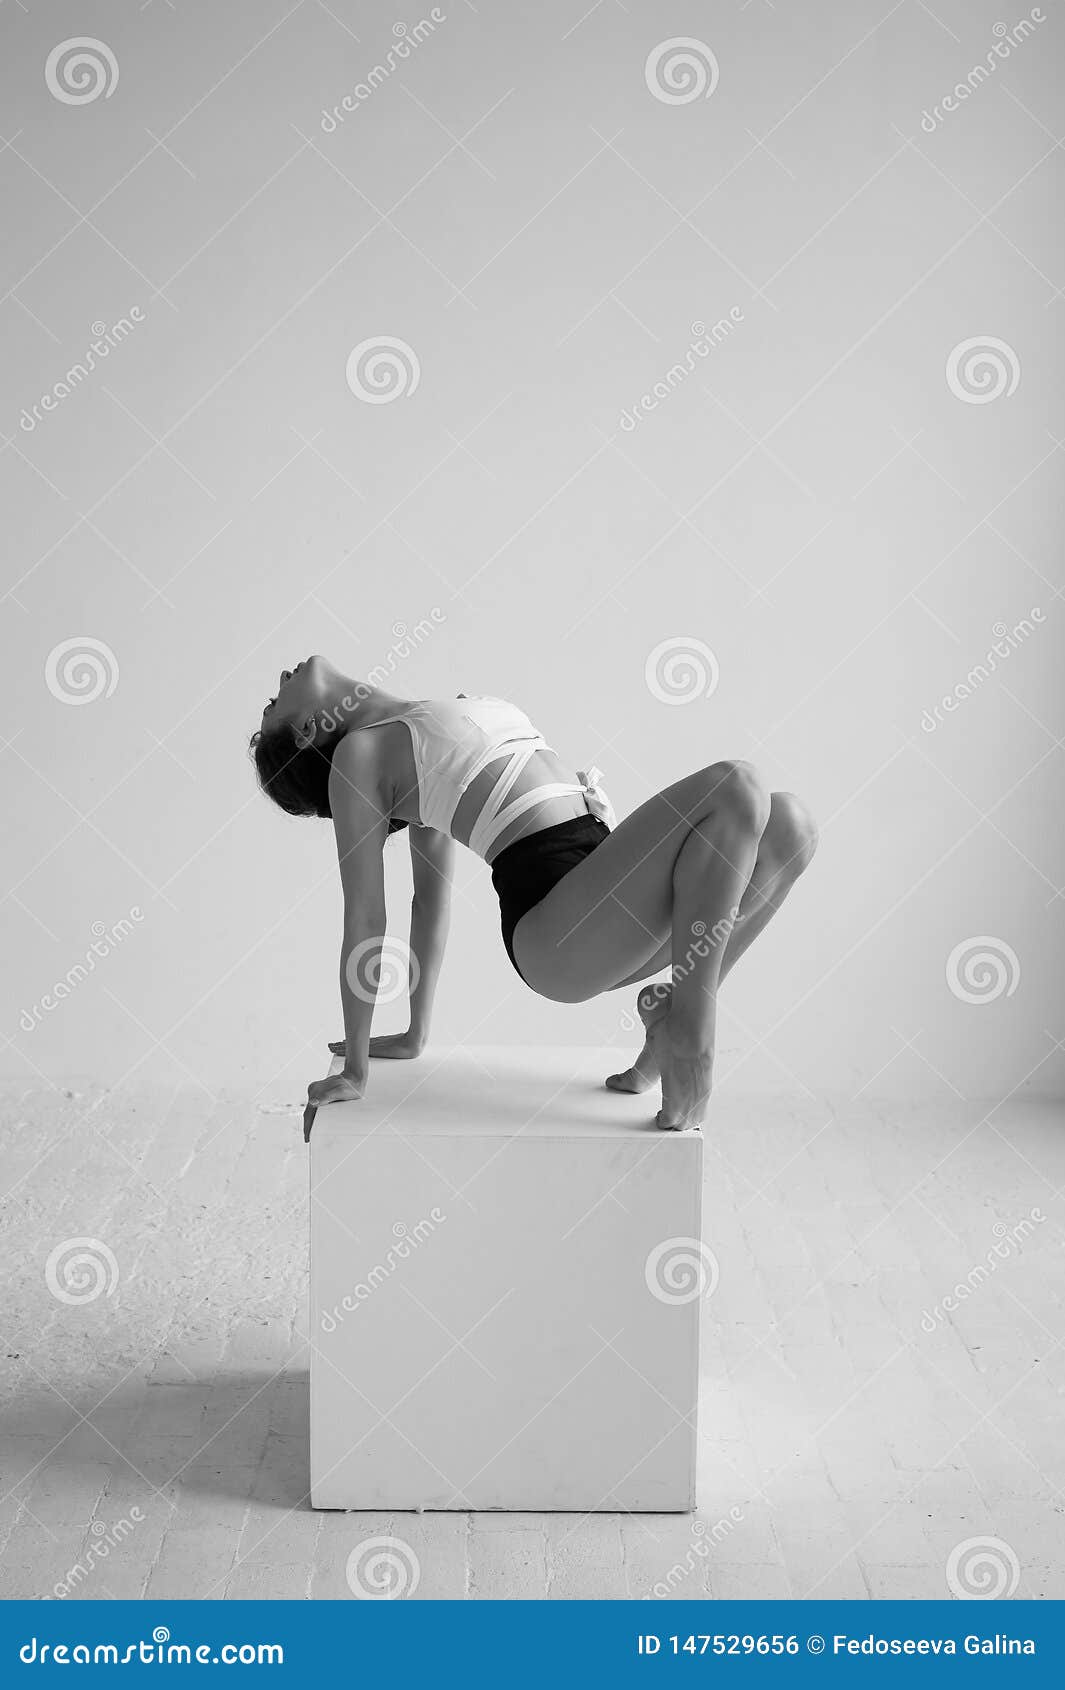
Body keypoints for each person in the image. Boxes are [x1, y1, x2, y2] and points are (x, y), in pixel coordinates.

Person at [250, 657, 817, 1133]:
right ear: (305, 732)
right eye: (276, 703)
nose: (281, 677)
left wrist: (415, 1031)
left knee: (791, 825)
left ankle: (674, 1022)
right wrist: (354, 1064)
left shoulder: (418, 721)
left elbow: (431, 902)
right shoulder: (361, 757)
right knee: (735, 786)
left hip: (613, 908)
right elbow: (367, 914)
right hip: (556, 932)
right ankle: (695, 1035)